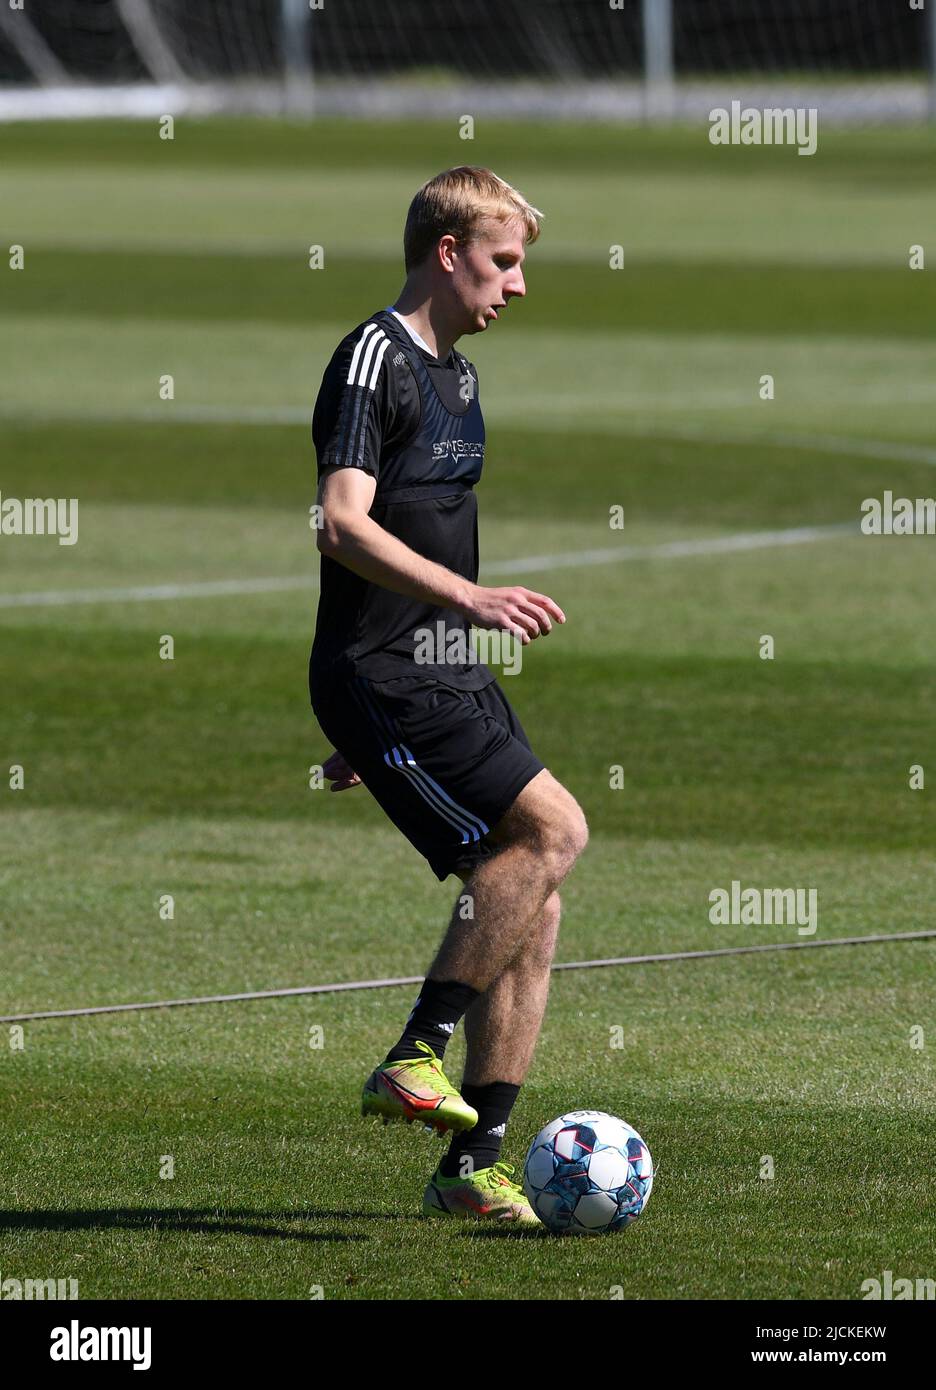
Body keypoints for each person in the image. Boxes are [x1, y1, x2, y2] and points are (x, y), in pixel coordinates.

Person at [309, 166, 589, 1224]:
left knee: (535, 896)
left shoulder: (461, 377)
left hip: (435, 679)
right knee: (556, 829)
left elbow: (421, 527)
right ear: (446, 252)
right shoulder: (372, 356)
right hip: (389, 675)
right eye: (503, 261)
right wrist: (465, 601)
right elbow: (343, 521)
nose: (515, 285)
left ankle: (472, 1164)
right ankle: (414, 1051)